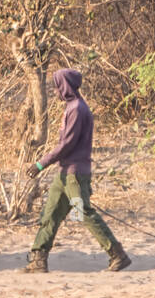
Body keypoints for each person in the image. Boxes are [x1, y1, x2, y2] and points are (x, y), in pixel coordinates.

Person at [22, 68, 130, 273]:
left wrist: (40, 164)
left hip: (74, 176)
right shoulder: (71, 107)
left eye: (57, 86)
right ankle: (38, 259)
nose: (55, 91)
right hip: (64, 174)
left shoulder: (78, 109)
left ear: (65, 86)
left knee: (83, 213)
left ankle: (117, 254)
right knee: (50, 213)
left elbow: (67, 145)